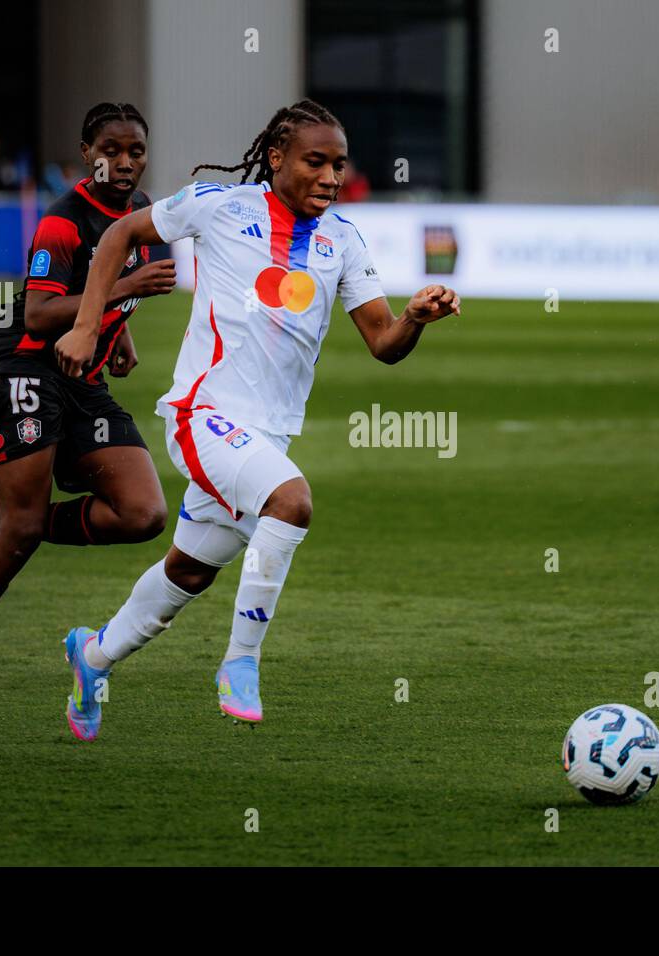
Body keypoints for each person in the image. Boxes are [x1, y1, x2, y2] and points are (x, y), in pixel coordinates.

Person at [52, 99, 461, 739]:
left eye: (339, 165)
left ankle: (93, 654)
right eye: (315, 162)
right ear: (276, 159)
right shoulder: (220, 206)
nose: (330, 177)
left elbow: (383, 343)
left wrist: (415, 317)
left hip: (262, 436)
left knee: (188, 572)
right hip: (201, 415)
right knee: (292, 502)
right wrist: (85, 326)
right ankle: (241, 662)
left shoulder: (343, 240)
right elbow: (119, 235)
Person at [0, 103, 176, 694]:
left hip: (82, 380)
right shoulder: (64, 219)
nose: (124, 162)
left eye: (135, 151)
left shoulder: (142, 212)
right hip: (25, 367)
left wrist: (119, 330)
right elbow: (39, 311)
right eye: (111, 150)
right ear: (87, 154)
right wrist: (125, 289)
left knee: (143, 513)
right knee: (22, 532)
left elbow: (96, 289)